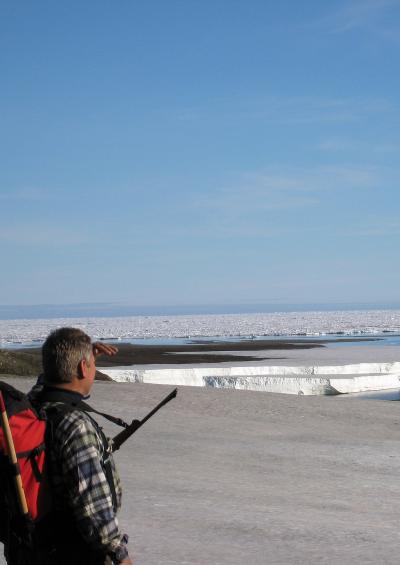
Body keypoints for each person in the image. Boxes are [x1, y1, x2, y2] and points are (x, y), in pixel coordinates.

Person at [34, 327, 132, 565]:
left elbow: (45, 384)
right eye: (91, 365)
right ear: (82, 368)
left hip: (36, 549)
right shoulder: (75, 425)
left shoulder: (33, 405)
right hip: (74, 553)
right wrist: (118, 555)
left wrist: (85, 358)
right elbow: (94, 506)